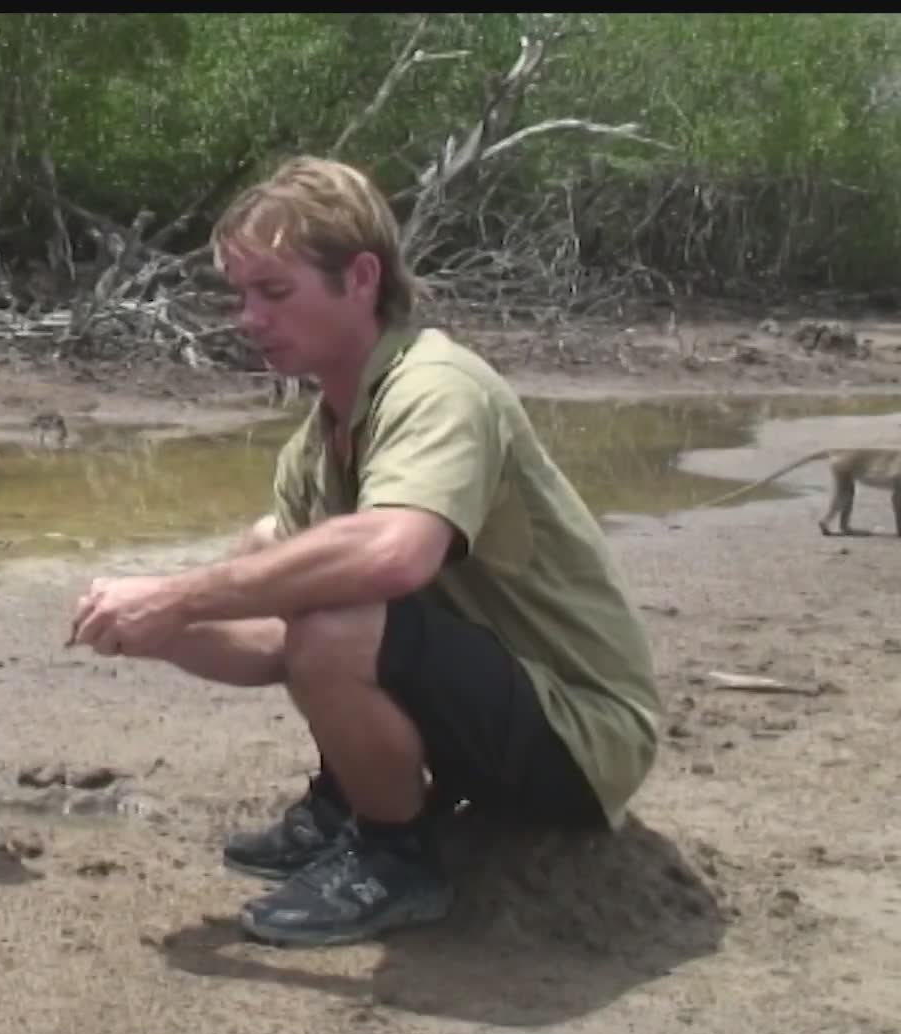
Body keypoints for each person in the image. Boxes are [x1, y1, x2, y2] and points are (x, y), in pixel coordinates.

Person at [65, 155, 663, 948]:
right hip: (490, 715)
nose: (249, 318)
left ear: (361, 279)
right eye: (241, 295)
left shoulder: (438, 385)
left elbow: (395, 557)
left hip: (585, 740)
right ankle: (347, 800)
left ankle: (392, 857)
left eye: (275, 292)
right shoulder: (321, 440)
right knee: (274, 549)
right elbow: (280, 646)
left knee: (332, 610)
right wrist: (163, 631)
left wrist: (181, 593)